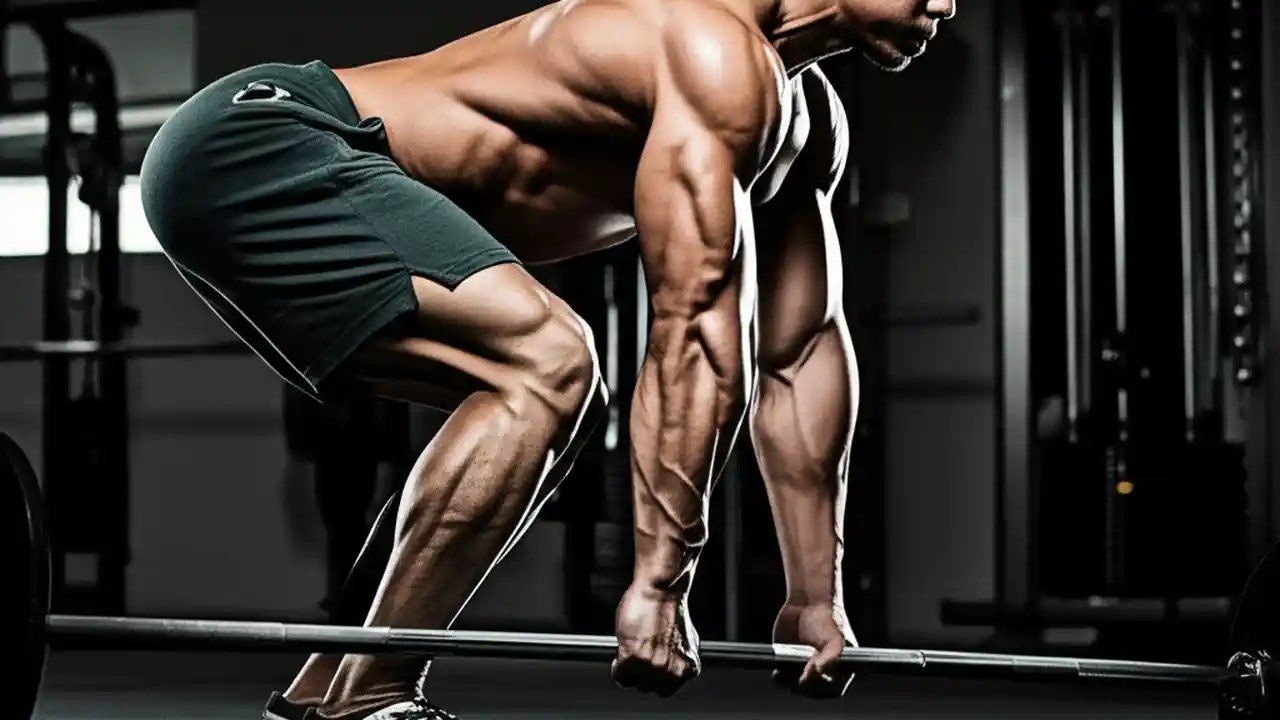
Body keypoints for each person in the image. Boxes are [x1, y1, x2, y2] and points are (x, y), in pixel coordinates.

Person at [138, 0, 956, 717]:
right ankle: (376, 692)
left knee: (540, 388)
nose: (945, 5)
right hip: (267, 136)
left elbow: (798, 352)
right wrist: (658, 581)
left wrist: (815, 596)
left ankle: (328, 696)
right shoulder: (709, 49)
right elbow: (696, 327)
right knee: (551, 366)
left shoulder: (806, 124)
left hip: (279, 163)